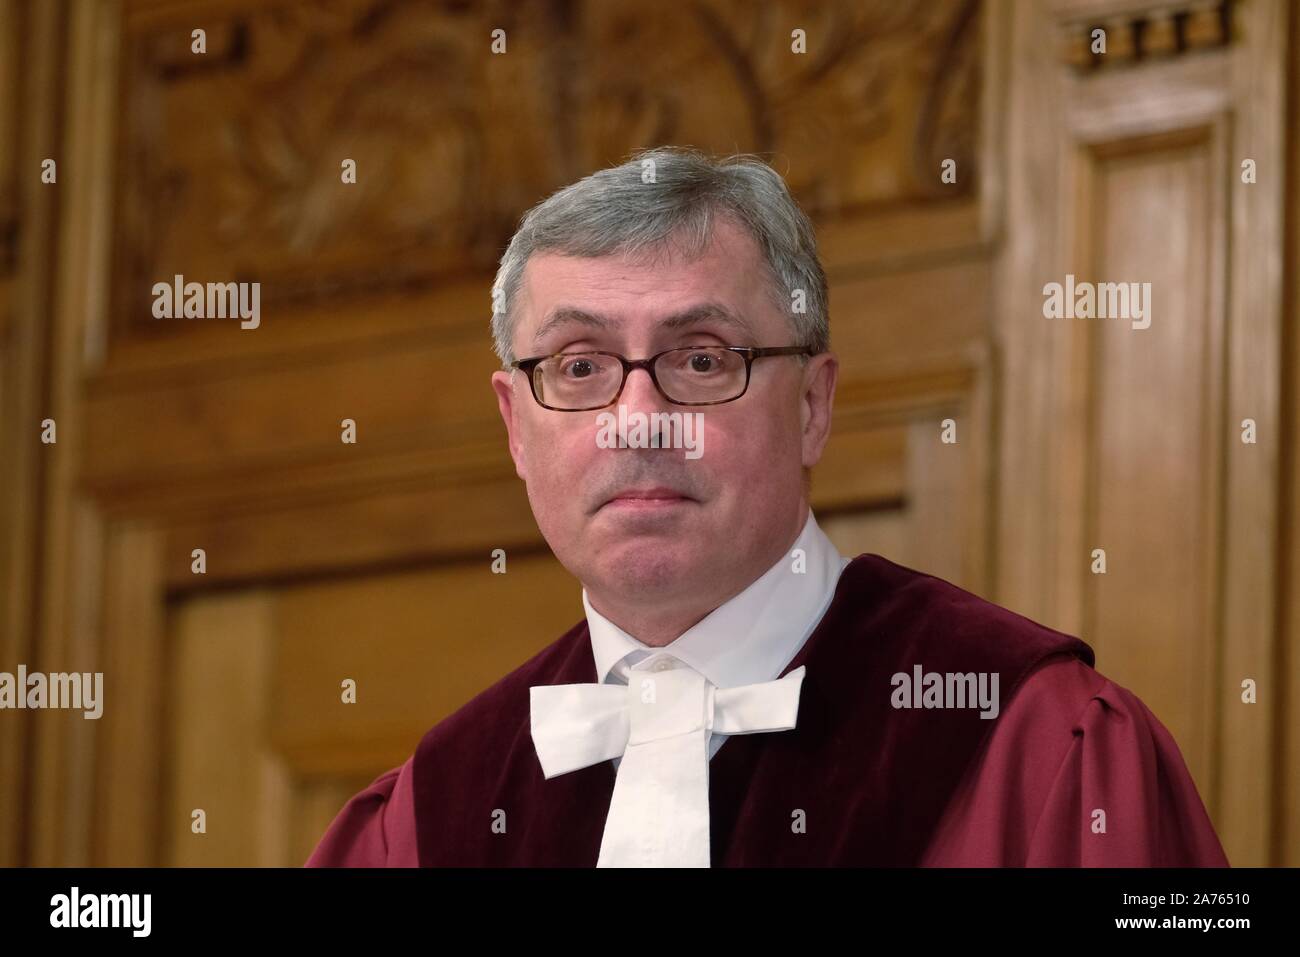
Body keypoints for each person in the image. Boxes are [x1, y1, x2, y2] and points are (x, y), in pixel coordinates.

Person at [306, 147, 1228, 867]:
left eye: (702, 359)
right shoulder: (430, 816)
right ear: (516, 425)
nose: (641, 423)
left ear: (813, 407)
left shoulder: (1041, 743)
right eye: (579, 366)